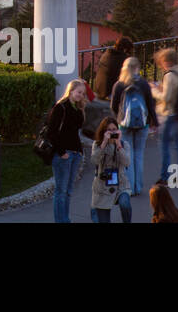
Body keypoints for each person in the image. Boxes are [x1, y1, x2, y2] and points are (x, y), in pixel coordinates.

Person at [110, 56, 157, 196]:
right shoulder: (143, 84)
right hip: (143, 124)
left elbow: (113, 106)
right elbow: (150, 104)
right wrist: (154, 121)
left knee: (128, 155)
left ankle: (129, 188)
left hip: (124, 124)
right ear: (137, 68)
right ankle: (138, 187)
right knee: (139, 154)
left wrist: (118, 120)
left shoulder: (119, 84)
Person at [47, 79, 87, 223]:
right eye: (78, 92)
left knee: (69, 191)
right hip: (63, 154)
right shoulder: (61, 108)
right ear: (71, 91)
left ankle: (65, 218)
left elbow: (76, 132)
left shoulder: (78, 108)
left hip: (75, 153)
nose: (80, 95)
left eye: (82, 93)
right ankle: (61, 220)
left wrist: (80, 151)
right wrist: (61, 152)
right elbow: (51, 132)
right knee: (61, 191)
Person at [154, 48, 178, 188]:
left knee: (165, 145)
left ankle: (165, 176)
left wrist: (154, 90)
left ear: (166, 61)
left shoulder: (169, 76)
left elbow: (166, 97)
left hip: (169, 113)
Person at [89, 116, 132, 223]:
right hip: (103, 186)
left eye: (114, 129)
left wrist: (118, 144)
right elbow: (94, 161)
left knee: (125, 204)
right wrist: (104, 142)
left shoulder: (124, 145)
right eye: (109, 130)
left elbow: (127, 162)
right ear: (104, 131)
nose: (112, 132)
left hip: (121, 184)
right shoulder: (97, 144)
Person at [93, 36, 134, 100]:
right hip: (109, 93)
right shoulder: (123, 59)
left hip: (99, 91)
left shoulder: (106, 54)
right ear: (125, 49)